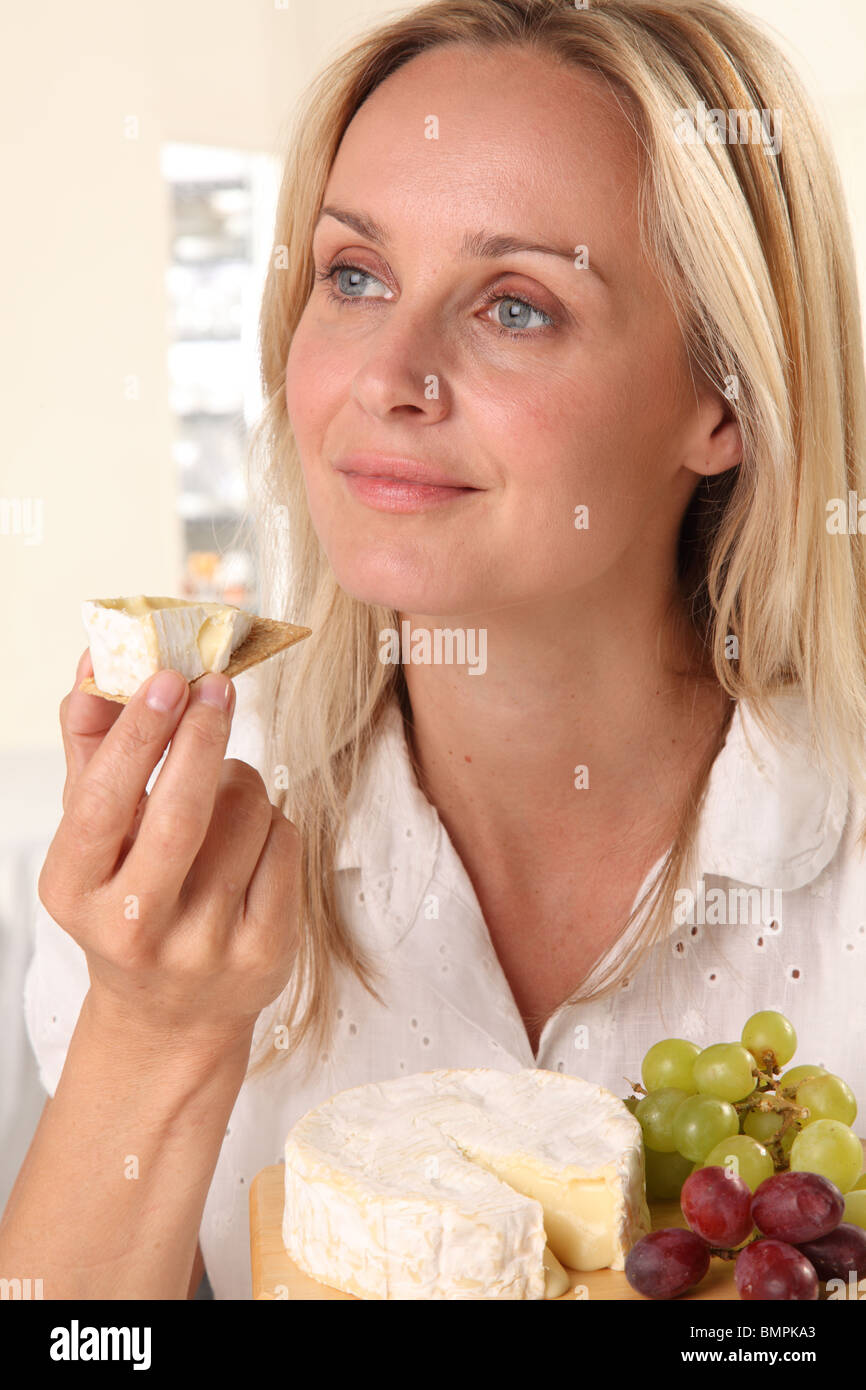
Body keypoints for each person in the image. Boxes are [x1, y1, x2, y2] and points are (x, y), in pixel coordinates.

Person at [3, 0, 865, 1301]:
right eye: (353, 276)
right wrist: (147, 1033)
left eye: (514, 305)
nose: (386, 374)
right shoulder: (141, 861)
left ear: (719, 401)